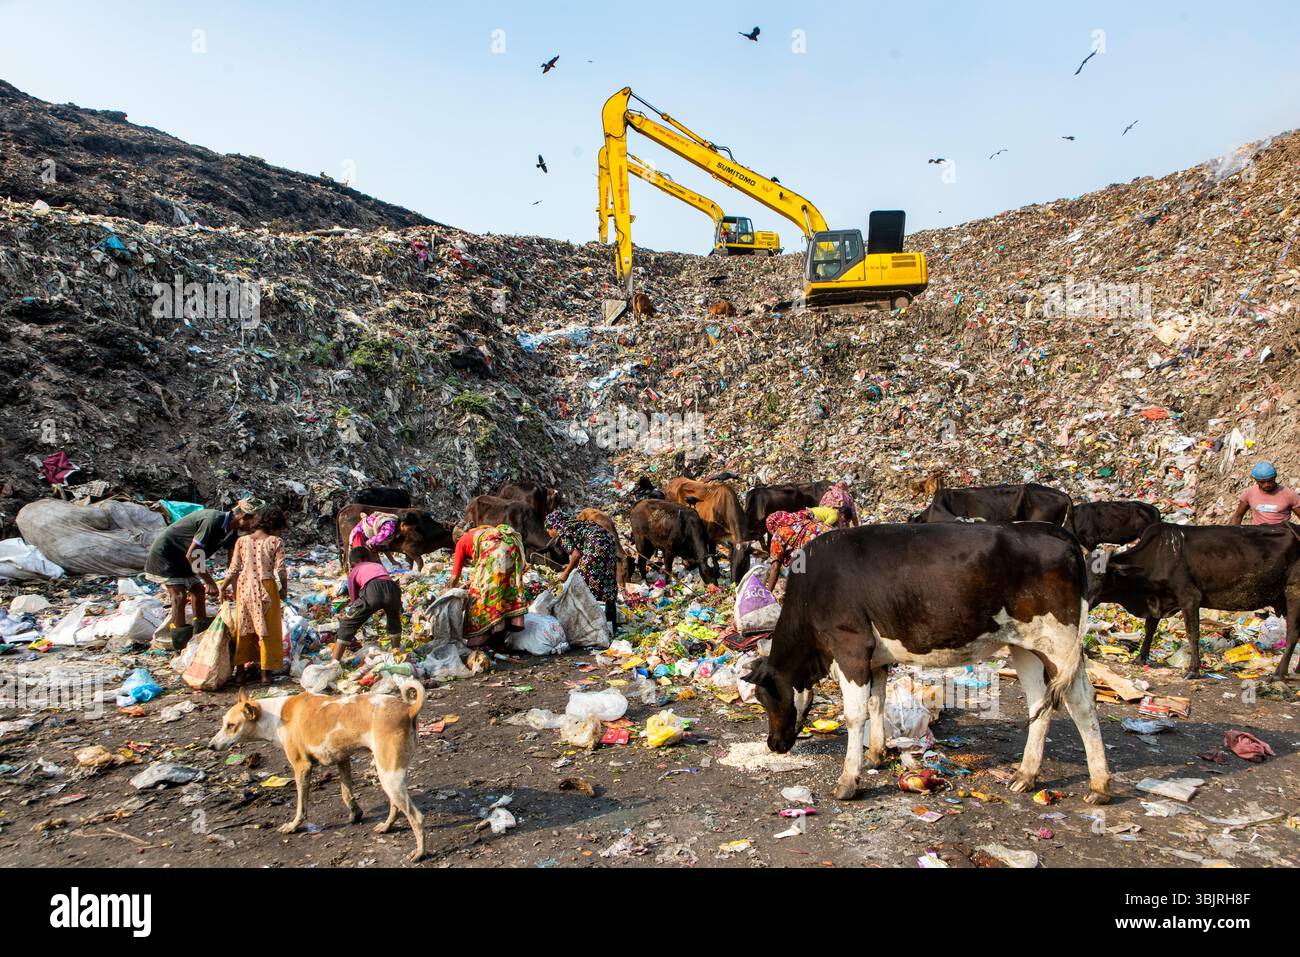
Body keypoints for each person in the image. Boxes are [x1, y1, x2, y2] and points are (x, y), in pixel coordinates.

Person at [144, 498, 265, 633]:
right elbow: (193, 554)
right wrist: (209, 582)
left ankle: (200, 633)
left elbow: (233, 566)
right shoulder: (213, 520)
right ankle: (179, 638)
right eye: (254, 522)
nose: (254, 527)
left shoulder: (233, 531)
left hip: (186, 559)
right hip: (167, 556)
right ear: (244, 516)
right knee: (179, 596)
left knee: (198, 591)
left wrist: (237, 595)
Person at [221, 506, 289, 684]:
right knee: (268, 631)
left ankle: (240, 673)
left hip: (244, 587)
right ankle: (266, 674)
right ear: (275, 524)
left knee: (244, 628)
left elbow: (234, 568)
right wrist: (283, 591)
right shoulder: (276, 541)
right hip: (267, 587)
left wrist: (223, 587)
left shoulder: (242, 541)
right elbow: (280, 570)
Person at [445, 524, 528, 648]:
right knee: (504, 594)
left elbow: (454, 576)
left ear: (457, 539)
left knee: (479, 600)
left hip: (495, 554)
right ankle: (499, 642)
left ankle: (480, 640)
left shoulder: (461, 542)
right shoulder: (482, 531)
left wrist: (447, 592)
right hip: (511, 550)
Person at [546, 509, 622, 636]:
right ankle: (612, 628)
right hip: (608, 543)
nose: (548, 533)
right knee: (607, 584)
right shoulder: (575, 524)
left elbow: (576, 555)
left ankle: (590, 629)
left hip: (595, 547)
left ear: (554, 526)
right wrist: (571, 566)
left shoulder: (561, 531)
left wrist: (565, 574)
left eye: (548, 529)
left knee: (583, 587)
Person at [333, 547, 404, 661]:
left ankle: (334, 662)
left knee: (348, 624)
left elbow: (354, 598)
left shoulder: (354, 570)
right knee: (394, 620)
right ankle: (396, 654)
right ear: (367, 558)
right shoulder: (378, 566)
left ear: (355, 562)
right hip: (393, 589)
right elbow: (385, 581)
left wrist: (358, 611)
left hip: (372, 589)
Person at [764, 508, 832, 592]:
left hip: (817, 546)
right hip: (830, 533)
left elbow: (775, 567)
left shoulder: (778, 534)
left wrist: (767, 593)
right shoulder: (801, 521)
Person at [1230, 462, 1300, 526]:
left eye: (1270, 481)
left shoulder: (1289, 494)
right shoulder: (1249, 493)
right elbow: (1238, 516)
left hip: (1281, 534)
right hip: (1258, 534)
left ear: (1274, 478)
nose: (1267, 485)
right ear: (1256, 481)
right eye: (1262, 482)